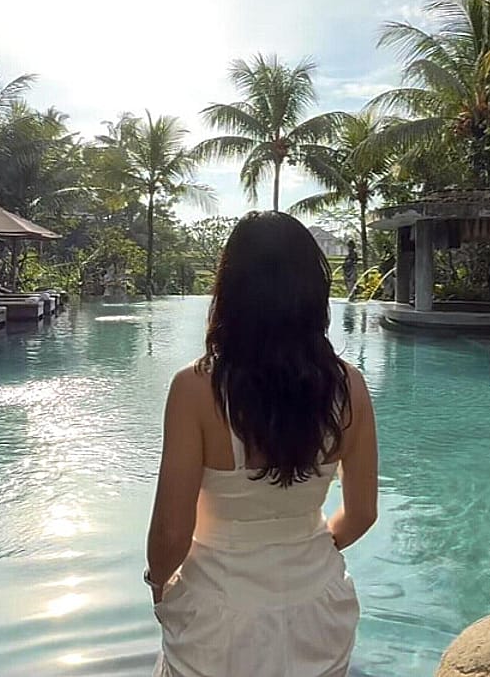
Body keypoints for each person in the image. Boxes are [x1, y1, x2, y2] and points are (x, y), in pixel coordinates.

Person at [146, 211, 379, 677]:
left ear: (230, 293)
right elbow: (362, 514)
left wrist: (160, 585)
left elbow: (172, 532)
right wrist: (308, 548)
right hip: (317, 609)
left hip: (218, 616)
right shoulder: (349, 387)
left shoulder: (195, 389)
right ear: (313, 293)